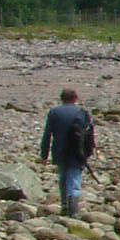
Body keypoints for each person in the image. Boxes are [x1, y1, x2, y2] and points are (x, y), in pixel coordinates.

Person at [39, 88, 94, 217]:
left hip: (60, 151)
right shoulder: (82, 113)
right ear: (75, 98)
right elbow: (90, 135)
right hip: (78, 151)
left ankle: (64, 205)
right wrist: (89, 152)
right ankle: (73, 208)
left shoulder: (54, 112)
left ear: (62, 98)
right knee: (75, 179)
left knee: (63, 177)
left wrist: (44, 154)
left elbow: (47, 135)